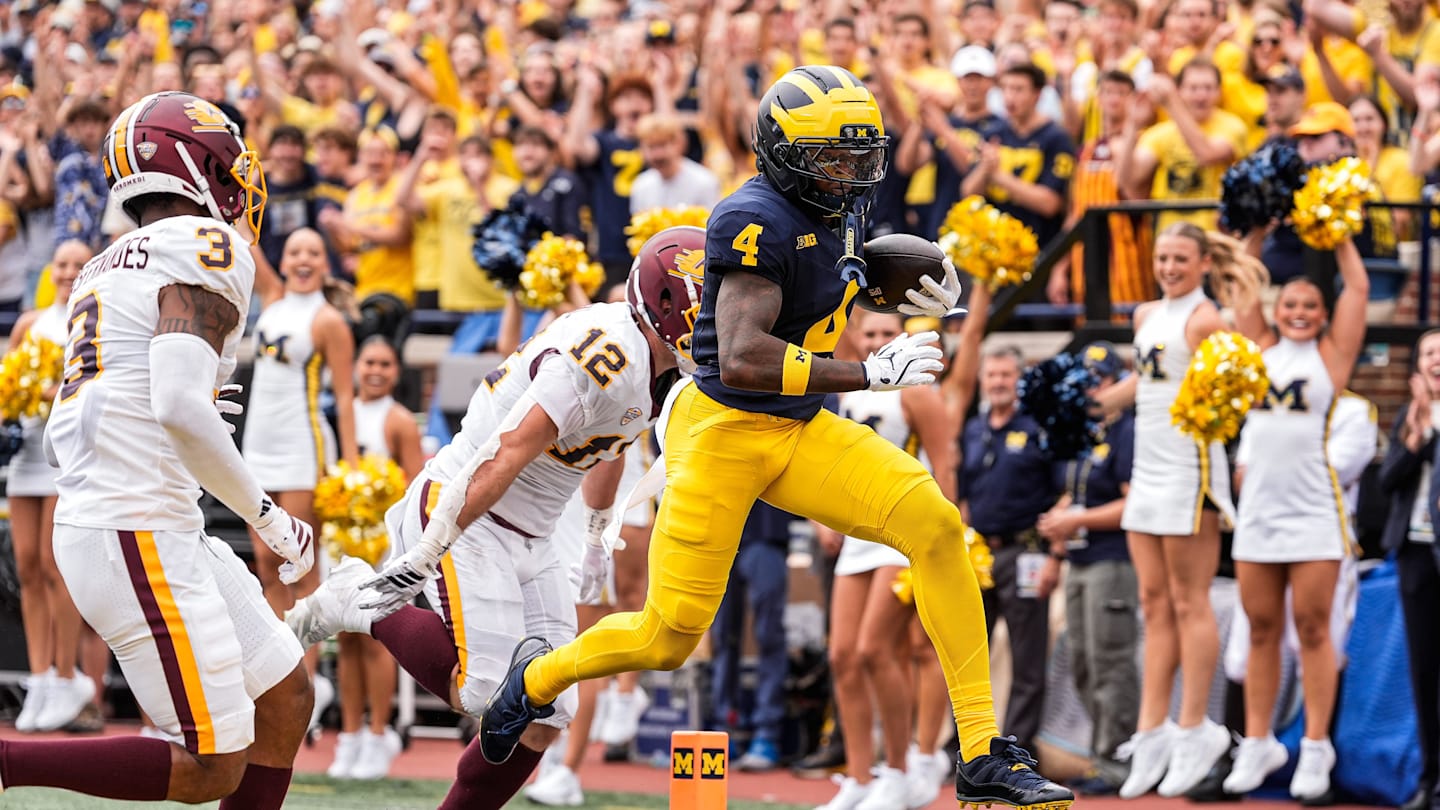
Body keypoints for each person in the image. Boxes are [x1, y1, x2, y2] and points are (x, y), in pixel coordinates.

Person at [454, 66, 1074, 810]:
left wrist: (889, 279)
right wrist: (868, 372)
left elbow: (824, 273)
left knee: (939, 527)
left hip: (797, 425)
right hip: (722, 429)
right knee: (667, 636)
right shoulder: (751, 217)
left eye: (858, 155)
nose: (849, 172)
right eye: (832, 157)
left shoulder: (833, 203)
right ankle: (536, 679)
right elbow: (746, 354)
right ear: (783, 153)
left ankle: (979, 750)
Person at [285, 226, 709, 810]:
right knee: (483, 690)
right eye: (705, 304)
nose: (716, 321)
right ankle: (358, 598)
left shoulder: (658, 364)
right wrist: (430, 549)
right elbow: (506, 452)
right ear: (666, 303)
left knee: (550, 709)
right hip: (469, 511)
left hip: (534, 532)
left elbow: (613, 445)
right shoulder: (607, 355)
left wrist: (593, 536)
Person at [0, 91, 315, 808]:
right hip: (133, 524)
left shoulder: (106, 262)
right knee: (212, 768)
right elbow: (174, 405)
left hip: (146, 517)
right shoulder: (208, 245)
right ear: (192, 165)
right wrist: (268, 517)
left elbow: (147, 386)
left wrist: (191, 399)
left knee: (288, 695)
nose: (240, 180)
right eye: (227, 164)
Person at [1107, 224, 1265, 800]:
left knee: (1187, 600)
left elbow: (1237, 386)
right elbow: (1145, 381)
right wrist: (1095, 404)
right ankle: (1152, 733)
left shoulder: (1206, 320)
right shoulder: (1145, 314)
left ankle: (1195, 727)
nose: (1169, 267)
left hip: (1189, 468)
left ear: (1202, 263)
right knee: (1153, 603)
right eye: (1162, 257)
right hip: (1147, 466)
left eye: (1180, 258)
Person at [1222, 232, 1368, 800]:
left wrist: (1340, 234)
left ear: (1323, 315)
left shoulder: (1332, 357)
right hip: (1258, 511)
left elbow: (1357, 285)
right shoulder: (1257, 348)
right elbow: (1241, 284)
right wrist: (1255, 235)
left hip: (1314, 514)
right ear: (1277, 311)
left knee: (1313, 630)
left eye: (1310, 306)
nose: (1300, 313)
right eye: (1291, 305)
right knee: (1260, 630)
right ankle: (1257, 742)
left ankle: (1314, 747)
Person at [818, 308, 961, 810]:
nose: (877, 341)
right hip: (858, 528)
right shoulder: (847, 386)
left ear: (901, 337)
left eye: (887, 333)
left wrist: (948, 539)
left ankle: (897, 771)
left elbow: (944, 463)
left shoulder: (917, 389)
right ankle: (859, 776)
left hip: (903, 529)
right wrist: (823, 517)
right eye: (870, 333)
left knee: (876, 650)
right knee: (841, 655)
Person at [1036, 342, 1138, 795]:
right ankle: (1104, 754)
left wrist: (1075, 518)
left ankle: (1117, 760)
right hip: (1078, 559)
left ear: (1118, 382)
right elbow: (1074, 492)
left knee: (1110, 662)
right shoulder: (1083, 428)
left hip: (1112, 559)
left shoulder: (1126, 430)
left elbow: (1134, 502)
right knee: (1081, 662)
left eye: (1098, 378)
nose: (1090, 386)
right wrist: (1059, 529)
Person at [244, 228, 359, 616]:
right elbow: (247, 238)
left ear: (325, 264)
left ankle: (305, 672)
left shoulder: (328, 320)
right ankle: (280, 666)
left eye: (313, 253)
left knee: (300, 563)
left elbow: (344, 398)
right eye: (295, 252)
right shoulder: (273, 298)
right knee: (265, 562)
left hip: (300, 448)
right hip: (257, 446)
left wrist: (352, 469)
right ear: (284, 260)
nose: (303, 260)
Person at [7, 240, 97, 734]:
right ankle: (39, 677)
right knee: (27, 567)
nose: (68, 272)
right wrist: (15, 392)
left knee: (54, 564)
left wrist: (51, 389)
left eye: (78, 264)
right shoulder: (29, 322)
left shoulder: (94, 320)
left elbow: (93, 386)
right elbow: (8, 378)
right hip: (26, 455)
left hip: (66, 455)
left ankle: (67, 674)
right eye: (61, 264)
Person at [328, 336, 424, 781]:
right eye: (369, 362)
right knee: (346, 638)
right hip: (342, 540)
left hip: (382, 546)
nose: (376, 371)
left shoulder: (400, 421)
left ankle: (378, 733)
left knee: (375, 638)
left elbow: (417, 488)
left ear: (396, 372)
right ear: (355, 366)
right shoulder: (337, 413)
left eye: (386, 364)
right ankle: (348, 736)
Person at [960, 344, 1061, 755]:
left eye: (1006, 375)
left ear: (1019, 380)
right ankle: (966, 743)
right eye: (992, 375)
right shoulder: (973, 428)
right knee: (969, 653)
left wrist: (1055, 556)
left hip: (1025, 551)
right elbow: (962, 491)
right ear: (982, 381)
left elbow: (1062, 494)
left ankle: (1017, 746)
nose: (999, 382)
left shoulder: (1039, 426)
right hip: (979, 553)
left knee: (1027, 657)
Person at [1378, 329, 1440, 810]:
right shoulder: (1410, 417)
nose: (1436, 360)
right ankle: (1429, 781)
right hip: (1416, 555)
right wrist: (1420, 432)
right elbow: (1388, 479)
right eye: (1427, 353)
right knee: (1423, 671)